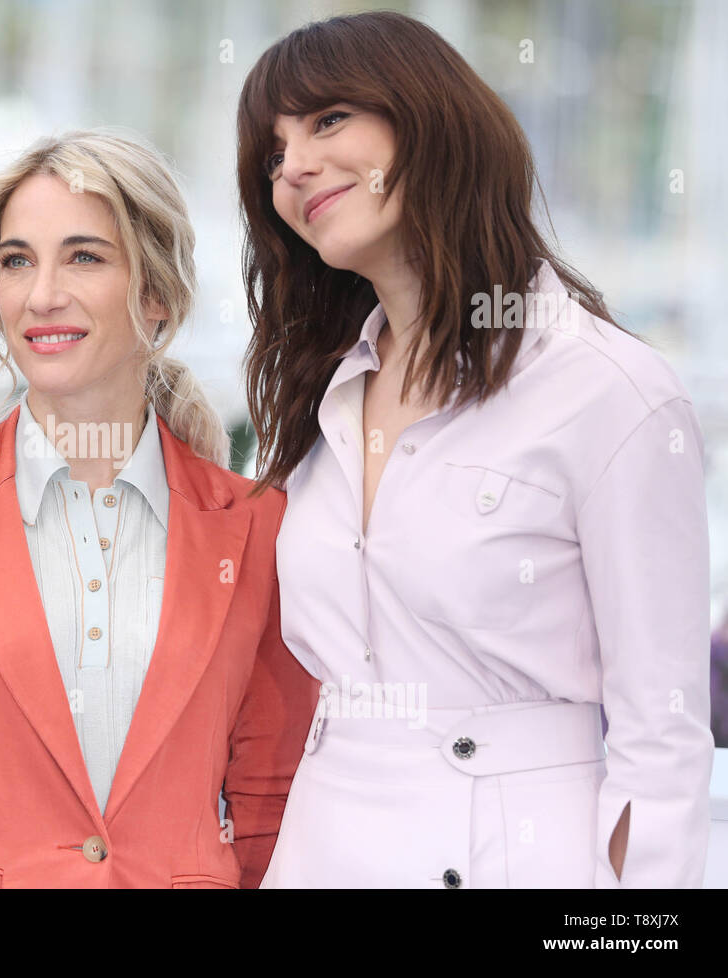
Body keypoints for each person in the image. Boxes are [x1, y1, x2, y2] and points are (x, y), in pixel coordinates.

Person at [238, 11, 713, 888]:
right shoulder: (324, 395)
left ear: (429, 116)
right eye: (273, 155)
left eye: (327, 120)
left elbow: (662, 740)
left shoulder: (609, 393)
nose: (294, 167)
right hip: (323, 848)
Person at [0, 129, 319, 888]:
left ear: (156, 293)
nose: (41, 293)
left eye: (83, 256)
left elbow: (269, 803)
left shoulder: (257, 527)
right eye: (17, 261)